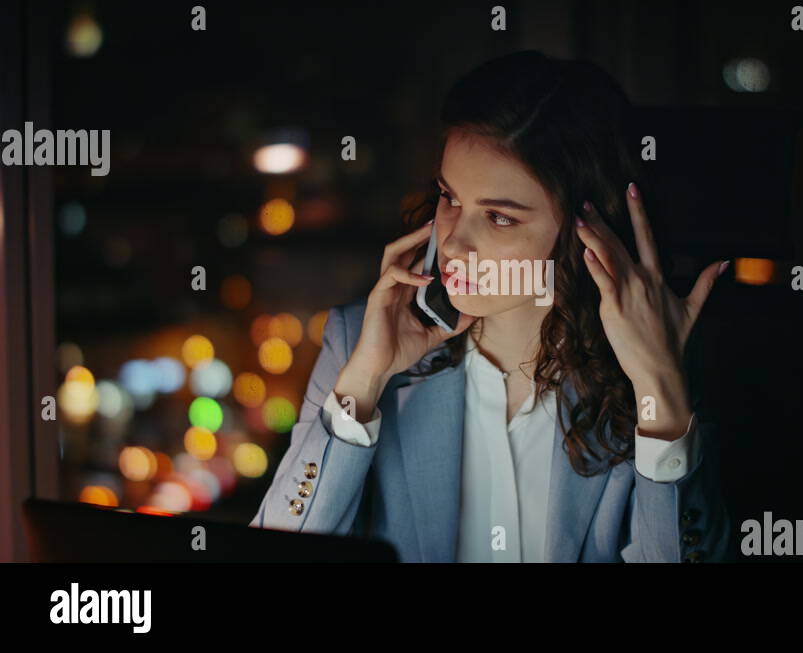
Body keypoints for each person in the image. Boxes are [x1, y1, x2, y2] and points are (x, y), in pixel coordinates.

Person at [250, 50, 732, 562]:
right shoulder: (357, 342)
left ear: (585, 230)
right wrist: (364, 381)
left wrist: (660, 392)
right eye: (450, 197)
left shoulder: (659, 364)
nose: (454, 242)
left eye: (499, 218)